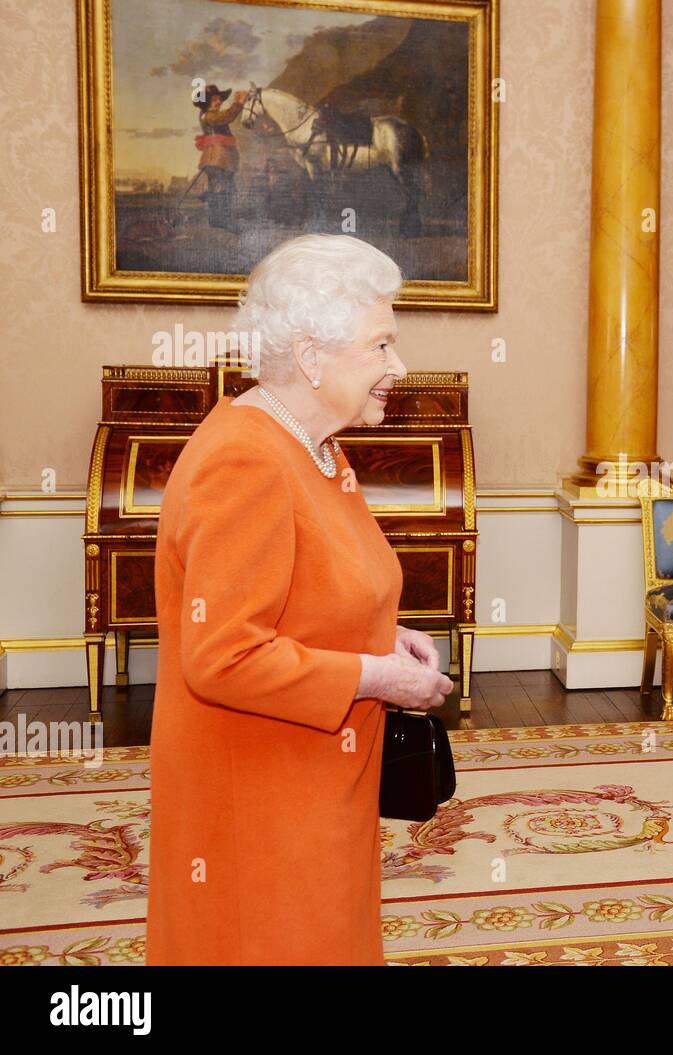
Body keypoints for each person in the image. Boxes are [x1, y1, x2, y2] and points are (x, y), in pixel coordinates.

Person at [146, 235, 455, 965]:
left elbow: (309, 585)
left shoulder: (313, 446)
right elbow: (223, 656)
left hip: (313, 782)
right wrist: (378, 676)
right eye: (381, 346)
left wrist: (386, 632)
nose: (398, 368)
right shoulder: (246, 460)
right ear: (312, 357)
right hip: (259, 805)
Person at [193, 84, 246, 232]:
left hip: (221, 159)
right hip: (216, 159)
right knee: (224, 189)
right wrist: (238, 103)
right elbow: (226, 116)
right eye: (214, 100)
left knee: (220, 188)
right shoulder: (209, 116)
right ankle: (225, 221)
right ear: (206, 102)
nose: (218, 102)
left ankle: (216, 219)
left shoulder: (209, 115)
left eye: (219, 100)